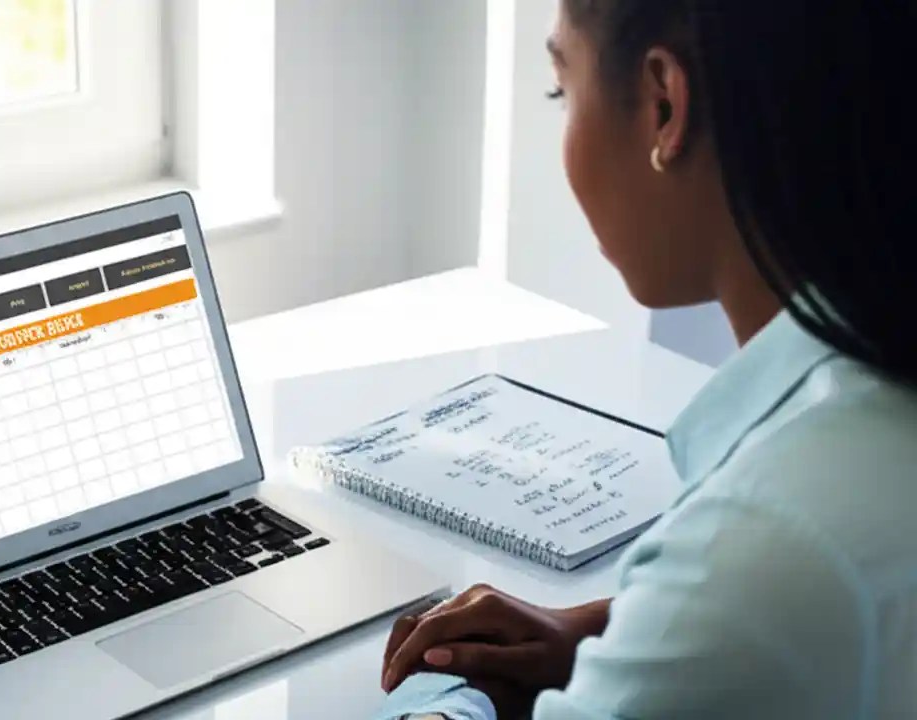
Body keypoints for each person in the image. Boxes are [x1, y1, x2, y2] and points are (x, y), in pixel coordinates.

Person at [377, 1, 917, 718]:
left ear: (666, 105)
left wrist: (445, 693)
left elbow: (760, 593)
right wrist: (614, 629)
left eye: (561, 91)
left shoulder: (760, 544)